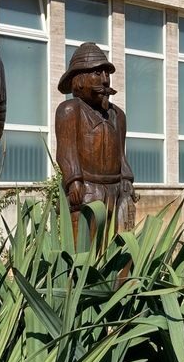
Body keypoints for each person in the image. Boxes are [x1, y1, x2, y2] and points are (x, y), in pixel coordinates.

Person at [55, 43, 136, 242]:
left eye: (106, 74)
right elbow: (66, 152)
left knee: (120, 246)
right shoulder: (70, 110)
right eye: (97, 73)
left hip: (116, 189)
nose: (105, 80)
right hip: (87, 190)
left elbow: (121, 155)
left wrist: (127, 180)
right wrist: (73, 181)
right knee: (85, 244)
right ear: (80, 79)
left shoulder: (118, 115)